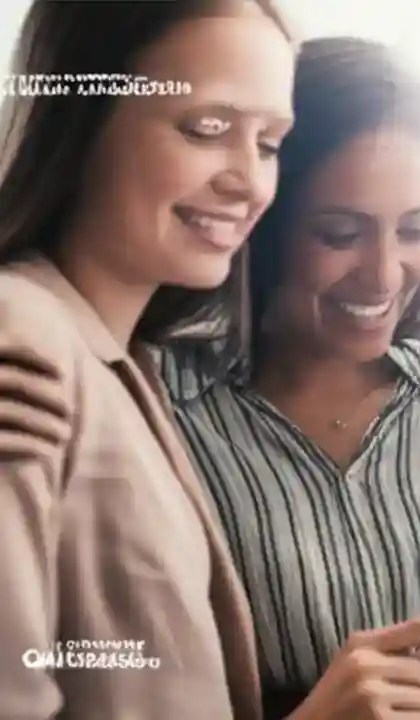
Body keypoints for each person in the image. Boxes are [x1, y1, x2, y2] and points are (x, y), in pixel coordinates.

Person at [157, 37, 420, 719]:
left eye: (414, 229)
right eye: (340, 234)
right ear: (262, 225)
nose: (384, 274)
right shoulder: (154, 413)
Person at [0, 1, 294, 717]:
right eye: (207, 129)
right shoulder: (25, 335)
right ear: (79, 115)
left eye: (269, 143)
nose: (248, 182)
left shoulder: (118, 360)